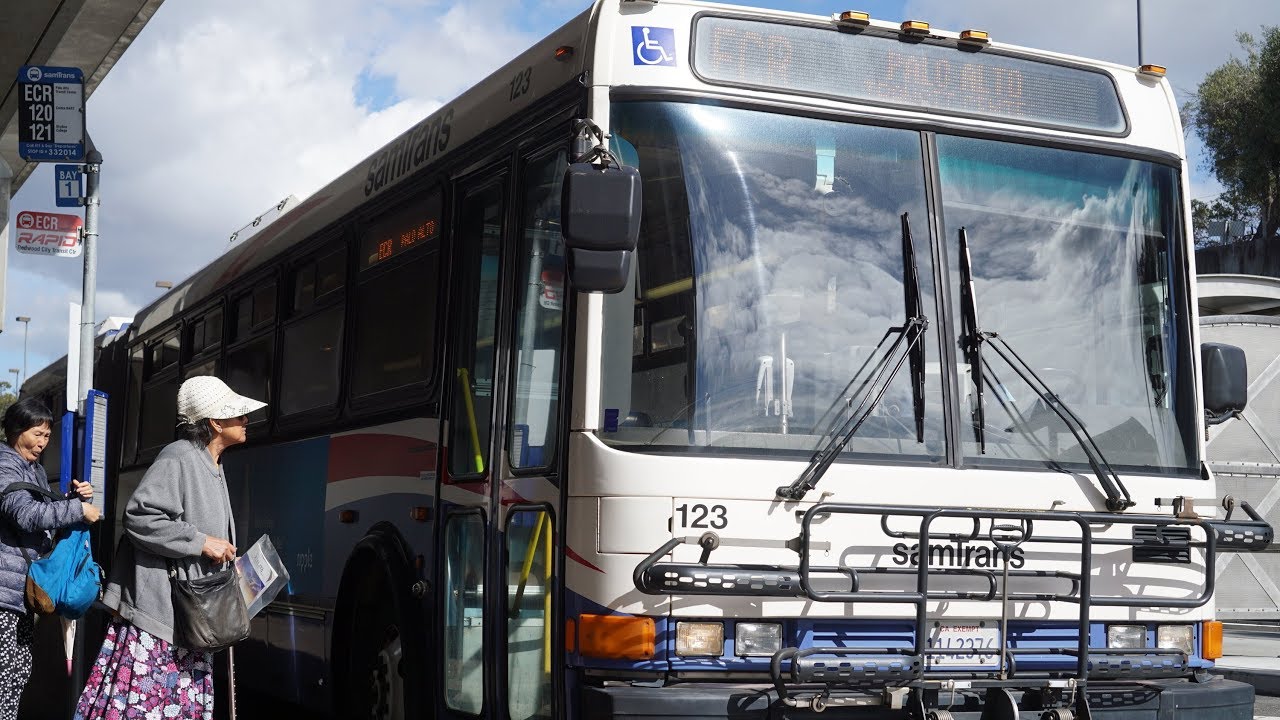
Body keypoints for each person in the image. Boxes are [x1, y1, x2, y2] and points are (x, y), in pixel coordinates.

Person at [75, 376, 265, 720]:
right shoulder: (179, 457)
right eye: (238, 415)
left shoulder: (212, 463)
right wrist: (202, 542)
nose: (246, 420)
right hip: (161, 618)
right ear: (215, 422)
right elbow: (138, 517)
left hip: (190, 617)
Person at [0, 397, 98, 720]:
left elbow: (45, 519)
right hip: (3, 596)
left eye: (47, 436)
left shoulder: (35, 471)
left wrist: (75, 499)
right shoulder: (4, 463)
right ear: (16, 430)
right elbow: (26, 515)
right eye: (37, 434)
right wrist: (77, 509)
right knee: (6, 679)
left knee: (16, 677)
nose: (42, 443)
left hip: (20, 596)